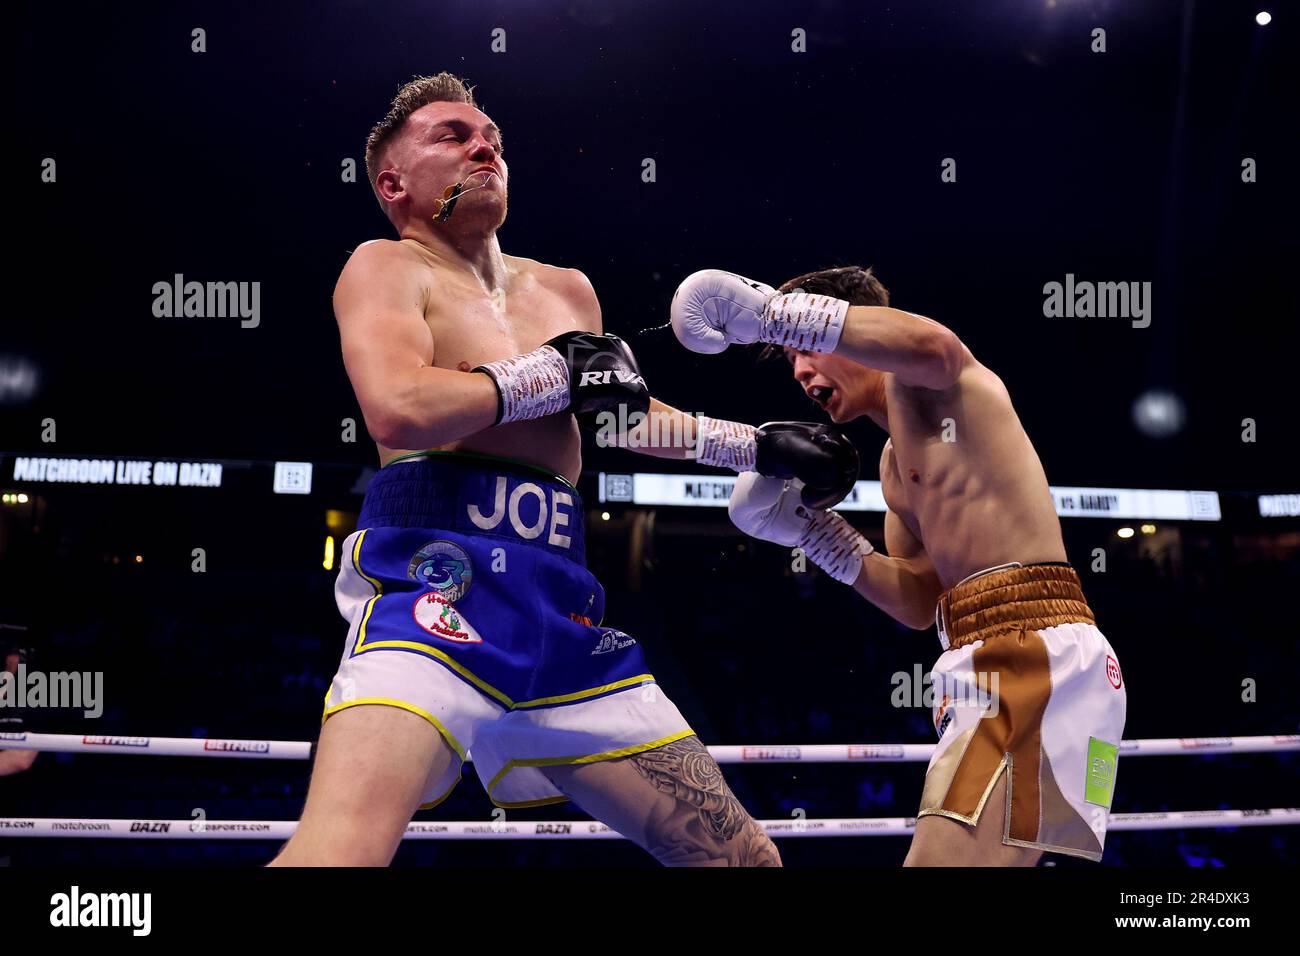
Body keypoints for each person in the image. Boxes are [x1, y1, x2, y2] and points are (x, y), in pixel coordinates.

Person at [270, 75, 859, 867]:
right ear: (393, 182)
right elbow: (398, 408)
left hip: (561, 609)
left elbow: (614, 410)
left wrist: (753, 446)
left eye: (494, 139)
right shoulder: (384, 267)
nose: (485, 147)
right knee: (339, 854)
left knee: (744, 860)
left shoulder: (564, 288)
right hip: (433, 596)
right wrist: (540, 375)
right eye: (452, 135)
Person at [671, 266, 1127, 865]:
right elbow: (917, 602)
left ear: (851, 329)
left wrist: (775, 312)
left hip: (1031, 651)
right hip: (988, 655)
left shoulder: (937, 386)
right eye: (789, 361)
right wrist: (815, 534)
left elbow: (931, 347)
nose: (802, 372)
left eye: (806, 349)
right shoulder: (891, 468)